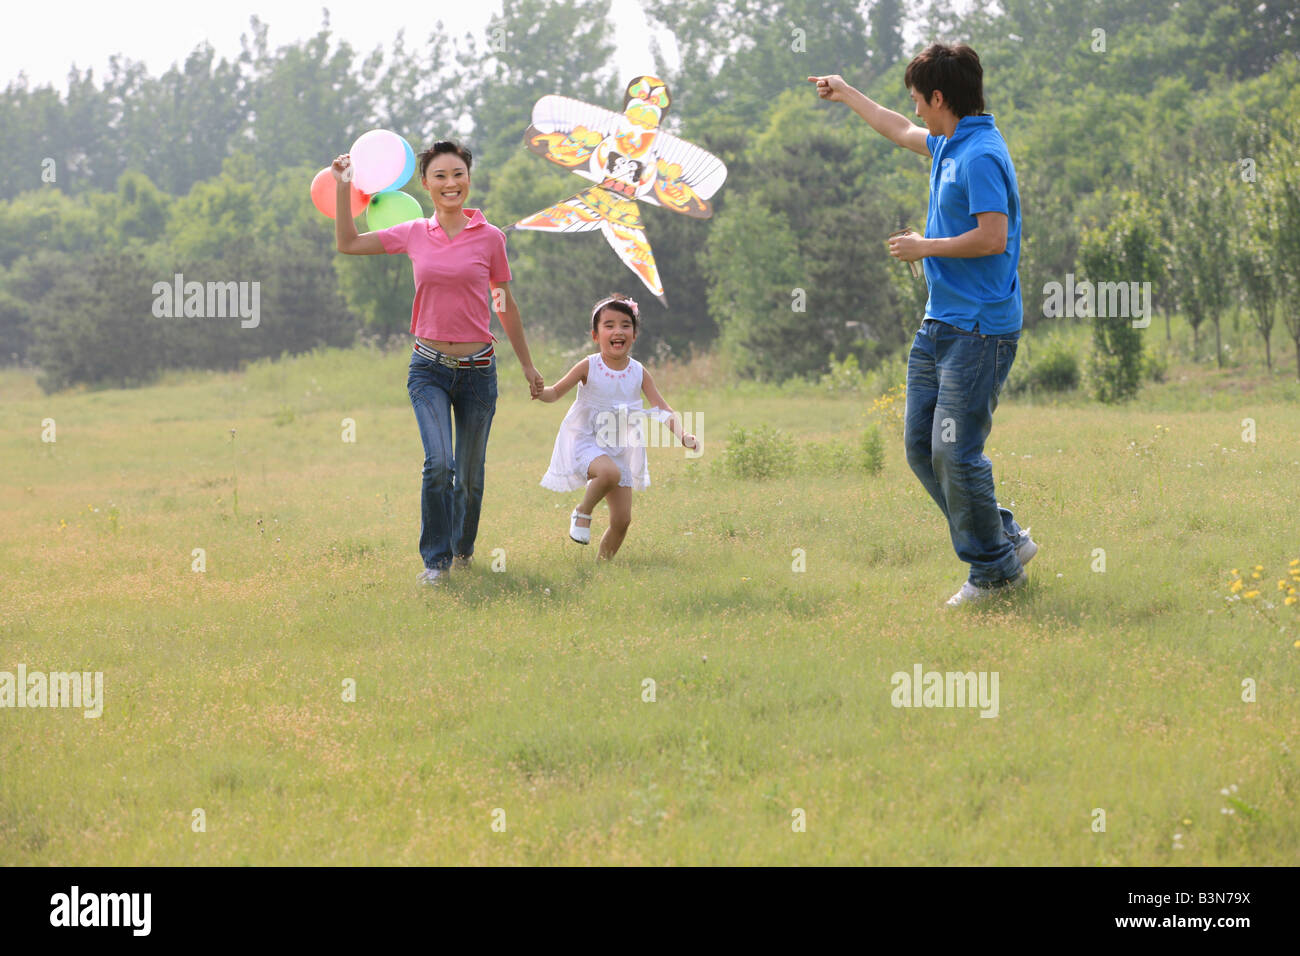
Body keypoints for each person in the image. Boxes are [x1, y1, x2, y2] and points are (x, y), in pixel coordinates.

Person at [809, 43, 1038, 606]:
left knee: (956, 453)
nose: (912, 110)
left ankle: (994, 573)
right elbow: (894, 129)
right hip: (941, 323)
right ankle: (1003, 536)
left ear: (940, 98)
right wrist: (846, 92)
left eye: (917, 100)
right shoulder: (947, 142)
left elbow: (993, 237)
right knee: (920, 447)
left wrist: (923, 247)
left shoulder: (982, 154)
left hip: (980, 329)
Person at [331, 141, 544, 584]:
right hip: (427, 369)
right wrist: (342, 186)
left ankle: (463, 549)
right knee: (439, 465)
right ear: (425, 183)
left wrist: (527, 365)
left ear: (469, 179)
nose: (451, 183)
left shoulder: (490, 238)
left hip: (478, 373)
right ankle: (435, 562)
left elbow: (503, 302)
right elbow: (348, 243)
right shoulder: (412, 233)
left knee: (468, 477)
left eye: (458, 174)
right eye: (441, 176)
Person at [538, 293, 698, 560]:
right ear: (595, 335)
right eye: (609, 325)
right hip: (586, 441)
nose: (618, 331)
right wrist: (538, 390)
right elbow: (555, 392)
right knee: (608, 473)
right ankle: (582, 512)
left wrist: (683, 435)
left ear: (634, 334)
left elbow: (661, 407)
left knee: (622, 520)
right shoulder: (588, 366)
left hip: (621, 447)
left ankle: (603, 567)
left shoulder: (638, 371)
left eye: (625, 325)